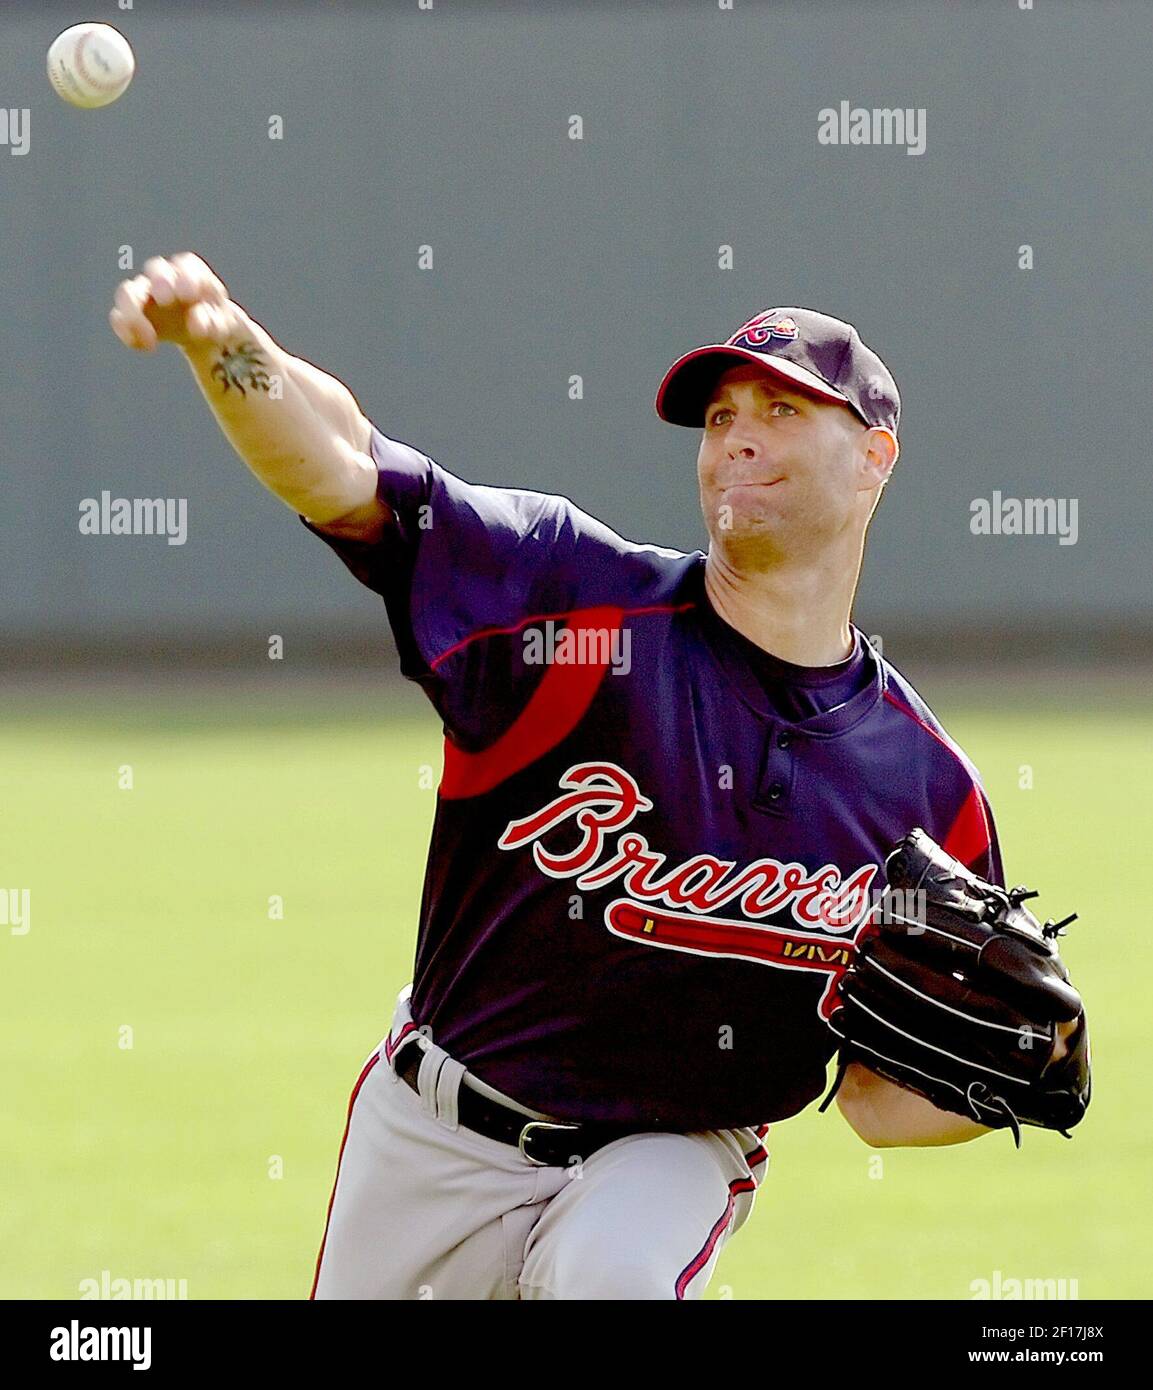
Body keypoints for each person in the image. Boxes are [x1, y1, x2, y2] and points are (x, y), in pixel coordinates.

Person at [111, 257, 1017, 1301]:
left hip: (669, 1150)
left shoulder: (925, 789)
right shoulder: (566, 603)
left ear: (873, 458)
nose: (739, 438)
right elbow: (345, 465)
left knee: (612, 1277)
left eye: (780, 407)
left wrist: (1005, 1074)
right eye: (720, 417)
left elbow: (879, 1098)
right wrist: (221, 340)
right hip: (435, 1134)